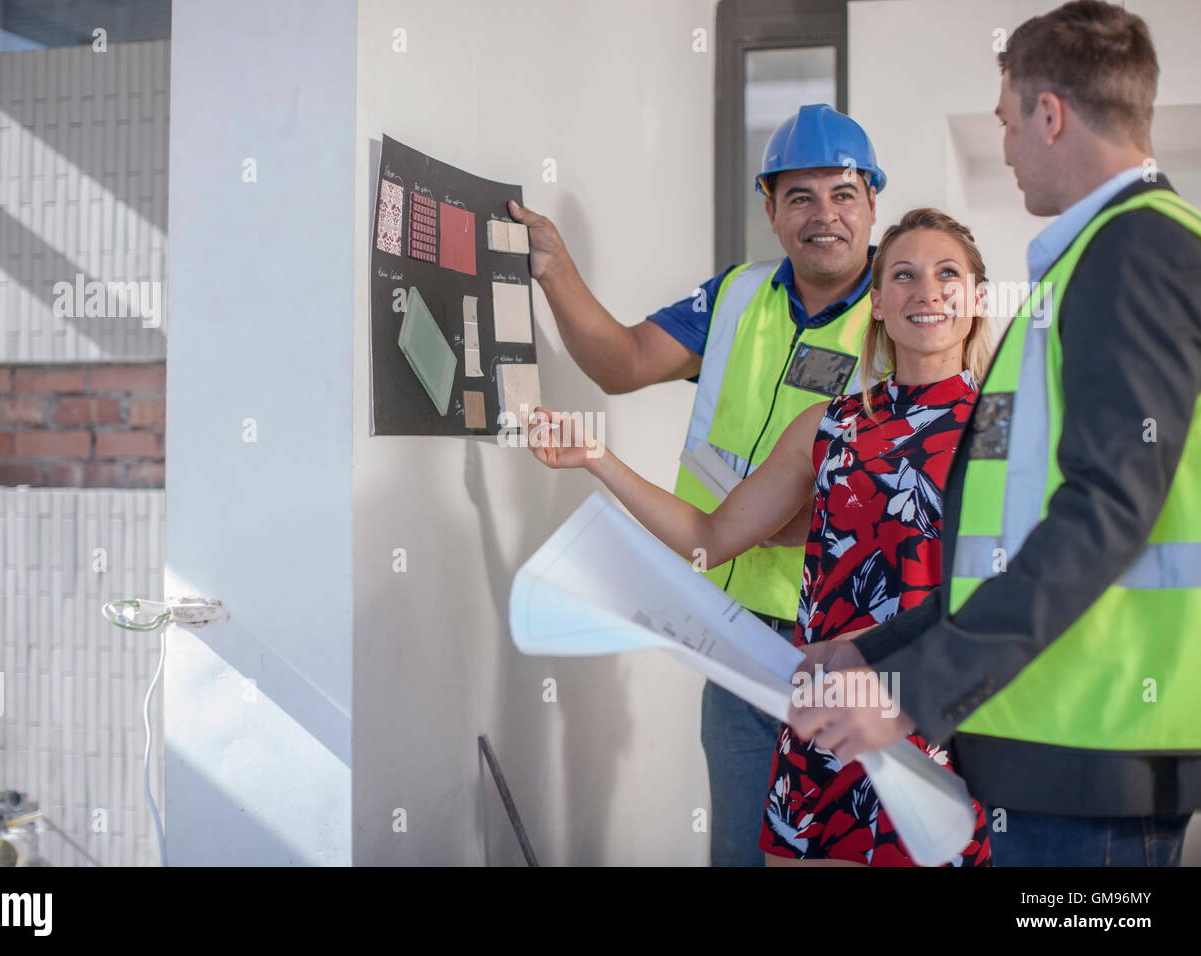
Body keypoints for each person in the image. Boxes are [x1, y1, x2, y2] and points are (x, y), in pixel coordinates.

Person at [790, 0, 1201, 867]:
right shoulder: (1110, 255)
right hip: (1068, 740)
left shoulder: (1129, 253)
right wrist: (871, 646)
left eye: (1009, 119)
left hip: (1092, 741)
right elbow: (1012, 550)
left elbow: (1107, 512)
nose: (1006, 143)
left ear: (1050, 115)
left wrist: (914, 690)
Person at [526, 208, 995, 866]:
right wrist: (597, 457)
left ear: (976, 299)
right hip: (821, 723)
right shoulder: (826, 427)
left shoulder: (1007, 428)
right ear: (879, 304)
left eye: (948, 274)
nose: (926, 290)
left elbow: (1020, 595)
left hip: (931, 724)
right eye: (904, 275)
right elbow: (709, 537)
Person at [510, 105, 886, 865]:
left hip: (846, 641)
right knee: (742, 845)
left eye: (843, 194)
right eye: (800, 197)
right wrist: (553, 268)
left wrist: (788, 522)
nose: (825, 216)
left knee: (845, 850)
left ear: (873, 203)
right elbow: (620, 362)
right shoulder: (738, 297)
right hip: (732, 628)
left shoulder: (902, 313)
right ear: (772, 212)